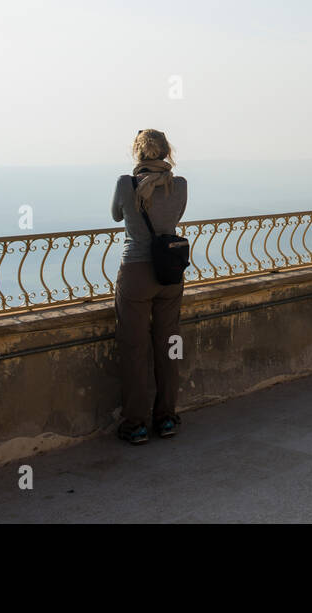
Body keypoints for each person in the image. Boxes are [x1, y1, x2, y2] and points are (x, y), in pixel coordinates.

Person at [110, 129, 189, 445]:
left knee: (134, 349)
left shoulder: (125, 184)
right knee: (169, 344)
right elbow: (174, 217)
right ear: (167, 152)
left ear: (138, 155)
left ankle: (136, 424)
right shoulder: (179, 185)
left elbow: (117, 215)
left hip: (136, 273)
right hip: (170, 272)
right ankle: (167, 418)